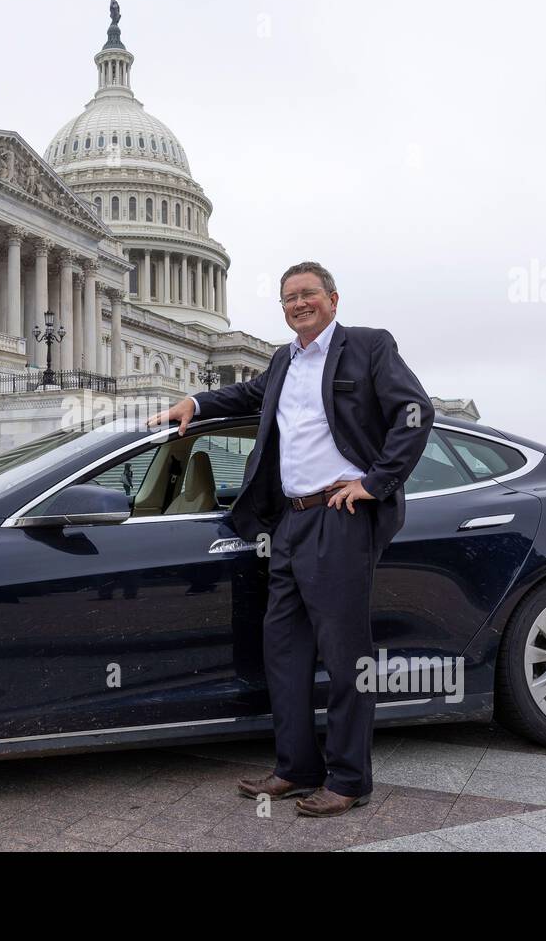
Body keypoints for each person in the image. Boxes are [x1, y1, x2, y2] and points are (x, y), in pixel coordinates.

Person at [149, 261, 433, 818]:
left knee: (346, 656)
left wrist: (375, 482)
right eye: (288, 299)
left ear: (332, 298)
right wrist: (196, 404)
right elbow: (249, 394)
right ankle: (296, 768)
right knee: (284, 650)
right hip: (291, 521)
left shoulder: (370, 347)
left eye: (307, 295)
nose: (298, 304)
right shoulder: (284, 359)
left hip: (340, 514)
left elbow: (413, 412)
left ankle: (349, 779)